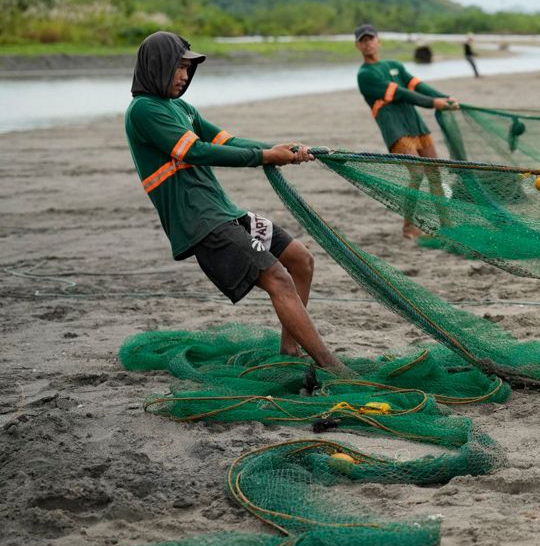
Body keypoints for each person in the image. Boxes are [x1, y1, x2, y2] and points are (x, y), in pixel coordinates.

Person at [124, 31, 351, 375]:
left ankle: (290, 351)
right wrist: (263, 156)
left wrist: (282, 150)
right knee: (278, 278)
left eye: (188, 69)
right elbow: (197, 151)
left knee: (300, 260)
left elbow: (225, 140)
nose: (185, 76)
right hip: (203, 223)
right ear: (158, 66)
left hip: (227, 213)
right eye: (179, 68)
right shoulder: (144, 110)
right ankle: (333, 367)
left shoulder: (181, 108)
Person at [354, 24, 460, 237]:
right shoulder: (365, 75)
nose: (368, 43)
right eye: (363, 40)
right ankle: (408, 226)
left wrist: (445, 97)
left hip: (415, 123)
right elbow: (402, 93)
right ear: (358, 45)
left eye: (371, 39)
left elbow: (418, 86)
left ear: (378, 41)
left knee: (434, 173)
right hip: (395, 128)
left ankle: (446, 224)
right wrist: (434, 103)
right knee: (417, 172)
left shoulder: (394, 65)